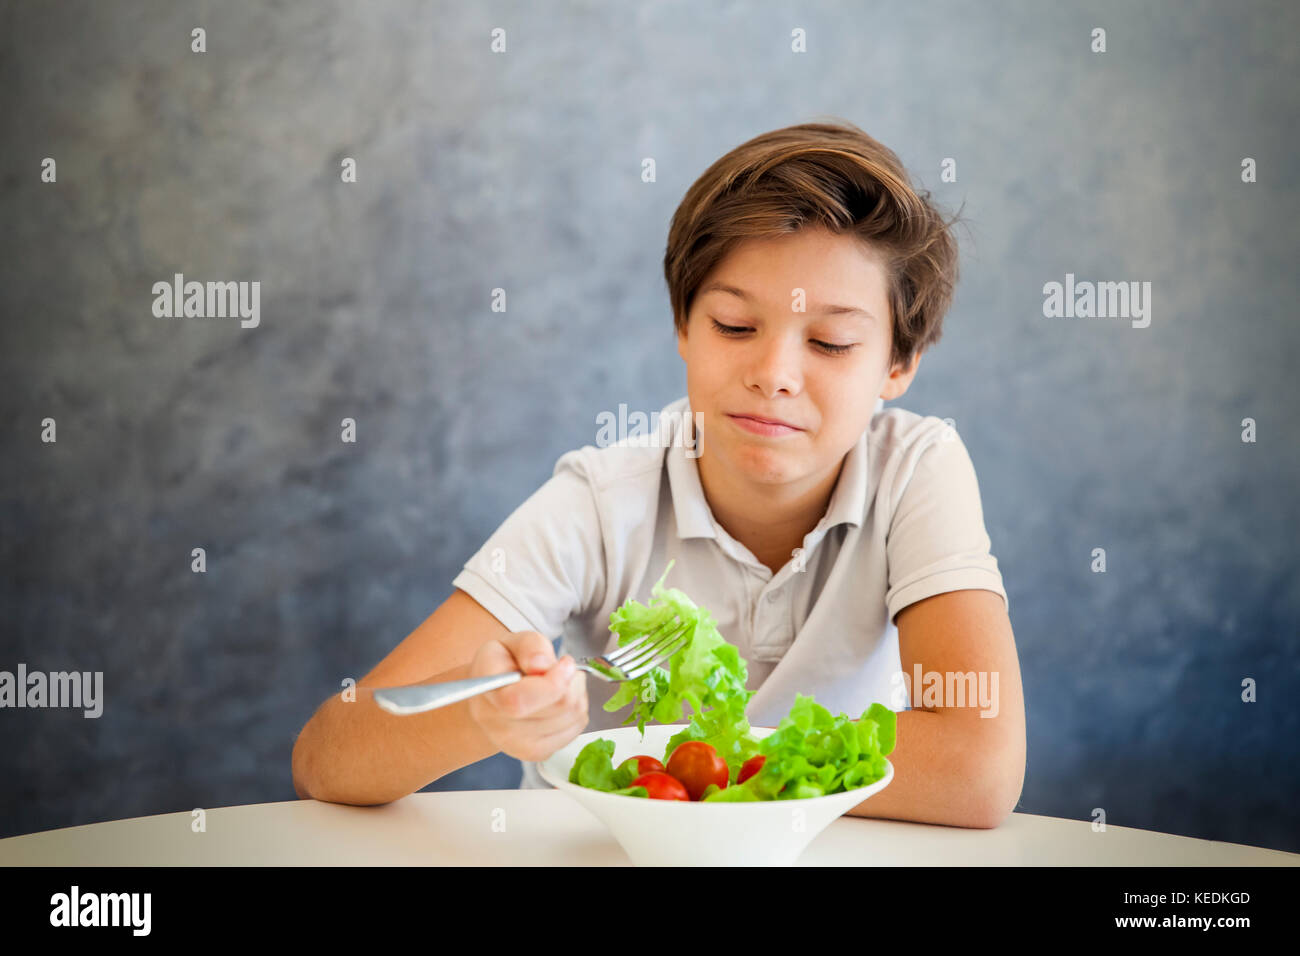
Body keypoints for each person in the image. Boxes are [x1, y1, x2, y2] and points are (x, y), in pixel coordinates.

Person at [292, 119, 1026, 828]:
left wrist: (701, 761)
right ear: (683, 328)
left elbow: (978, 767)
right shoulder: (603, 504)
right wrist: (484, 715)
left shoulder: (916, 470)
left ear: (898, 365)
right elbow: (329, 758)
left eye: (831, 342)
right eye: (735, 327)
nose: (773, 375)